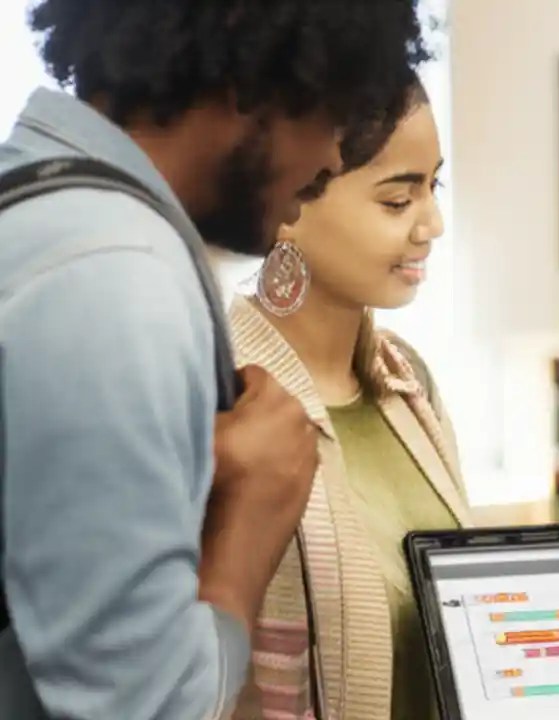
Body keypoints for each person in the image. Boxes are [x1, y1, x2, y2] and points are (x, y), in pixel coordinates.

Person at [0, 2, 428, 718]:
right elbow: (148, 704)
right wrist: (250, 520)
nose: (329, 160)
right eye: (331, 116)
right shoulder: (115, 281)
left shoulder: (44, 212)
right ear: (257, 71)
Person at [227, 79, 468, 720]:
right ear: (290, 202)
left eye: (433, 188)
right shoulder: (223, 396)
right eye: (397, 200)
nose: (432, 225)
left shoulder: (407, 383)